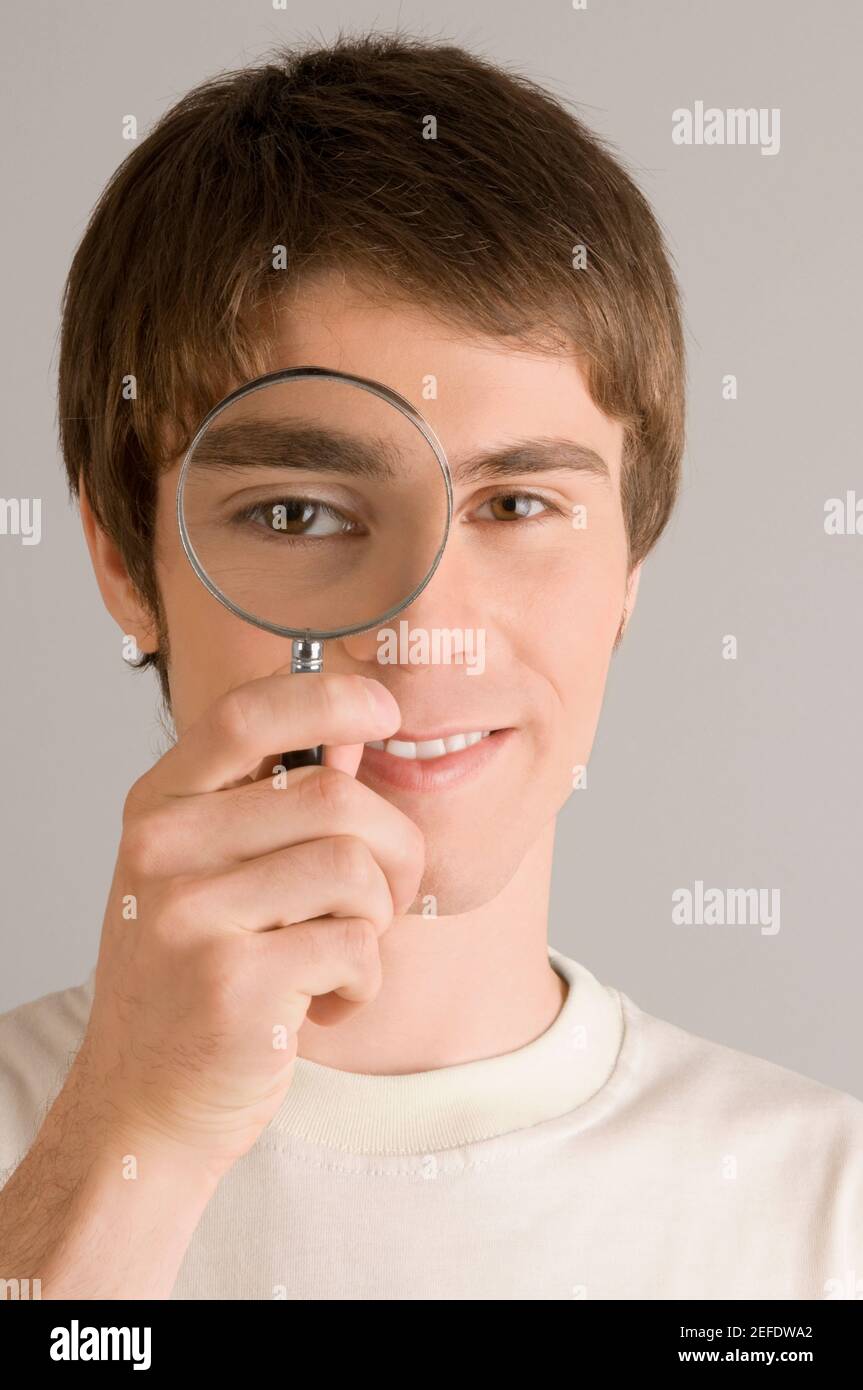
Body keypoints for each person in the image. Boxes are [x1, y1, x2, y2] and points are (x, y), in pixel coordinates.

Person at [0, 34, 860, 1302]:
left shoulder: (825, 1218)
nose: (423, 631)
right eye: (297, 512)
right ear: (127, 563)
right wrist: (129, 1148)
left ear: (631, 563)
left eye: (517, 505)